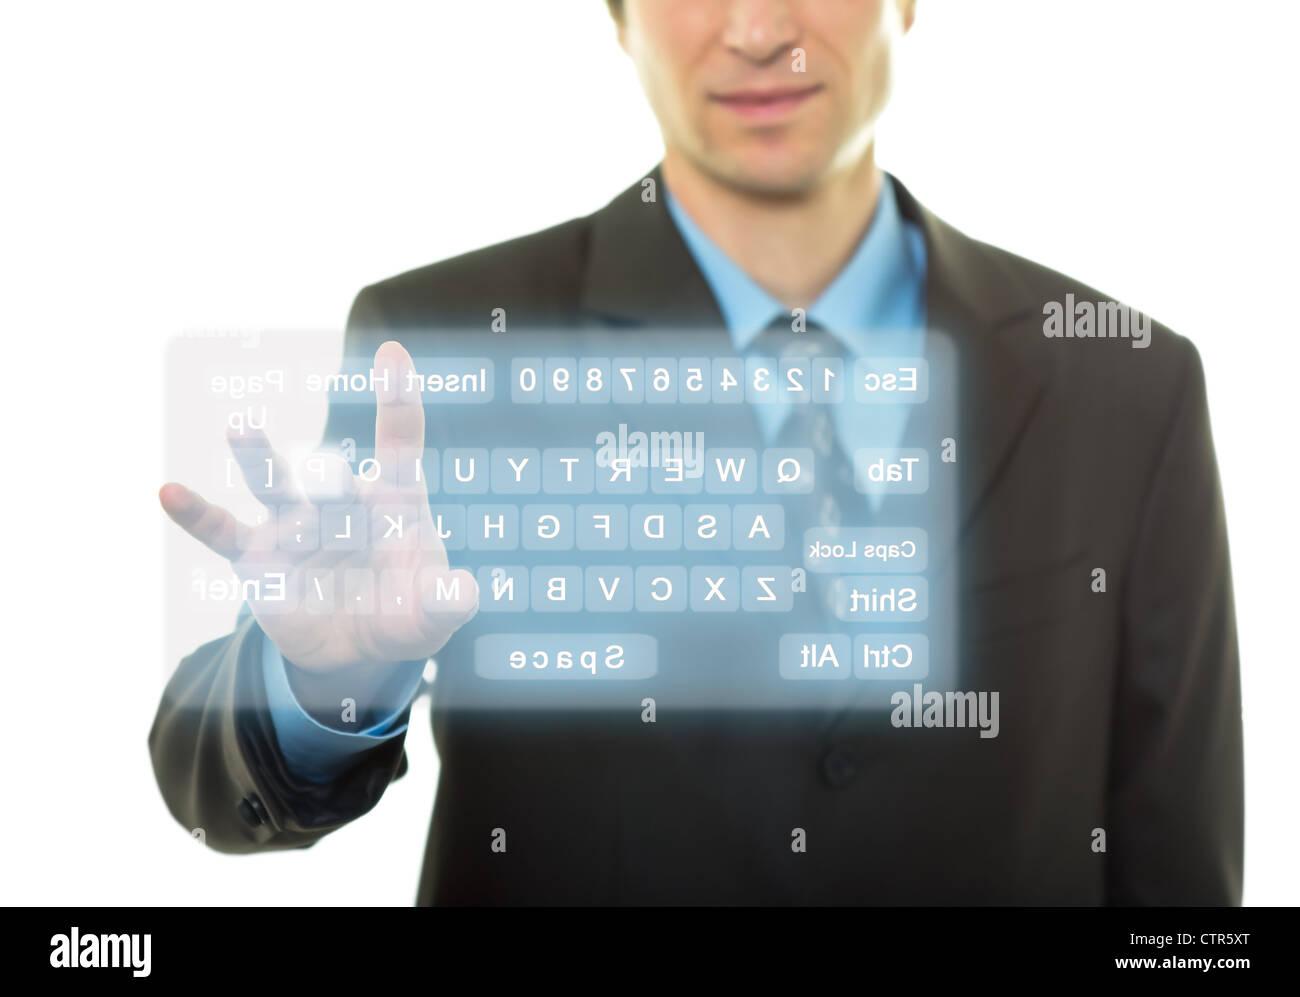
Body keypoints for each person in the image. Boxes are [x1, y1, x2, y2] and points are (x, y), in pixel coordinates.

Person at [151, 0, 1243, 904]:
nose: (759, 30)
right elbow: (216, 784)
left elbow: (1179, 873)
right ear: (615, 16)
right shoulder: (441, 347)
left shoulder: (1127, 381)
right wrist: (331, 681)